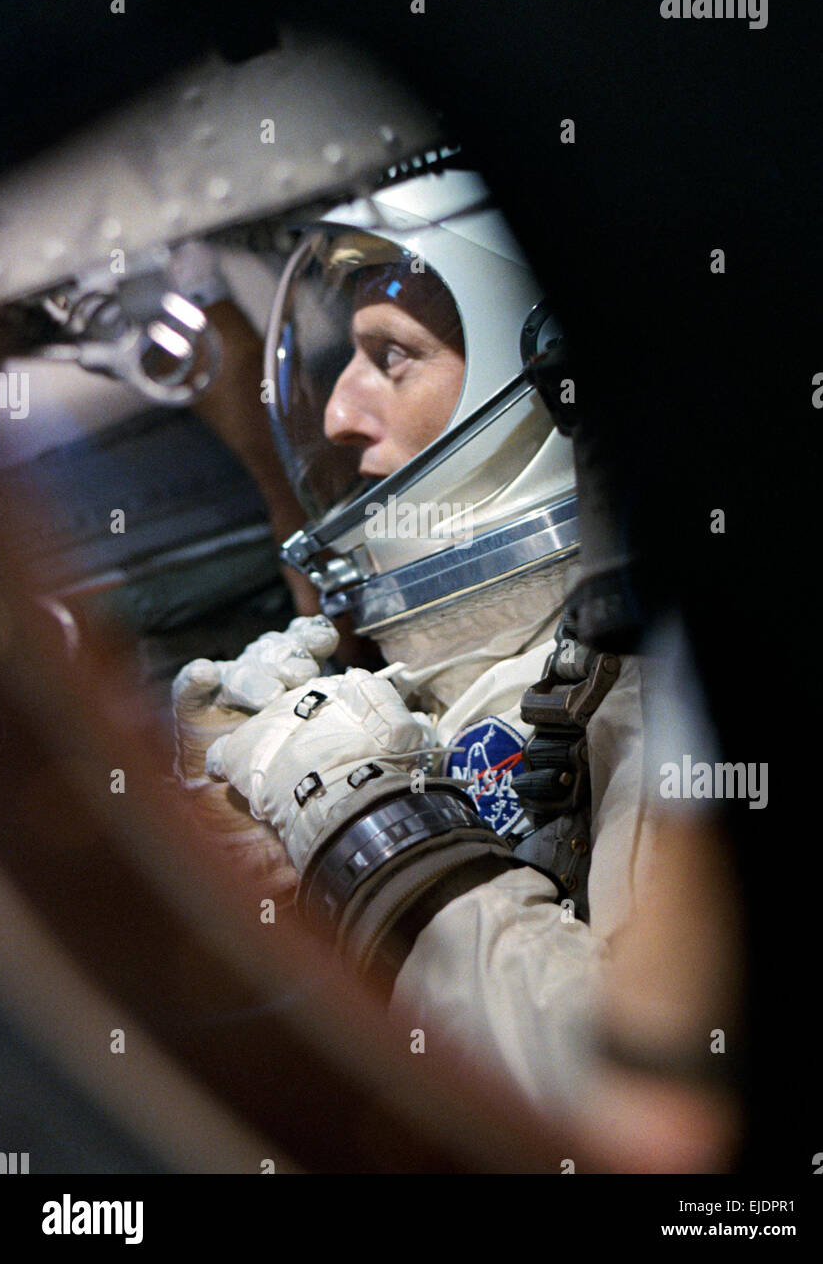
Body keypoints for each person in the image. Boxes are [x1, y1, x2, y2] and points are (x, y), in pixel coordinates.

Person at [173, 168, 655, 1117]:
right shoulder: (439, 687)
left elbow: (626, 1098)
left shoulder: (652, 698)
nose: (336, 414)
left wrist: (355, 814)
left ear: (548, 388)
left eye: (392, 357)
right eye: (346, 361)